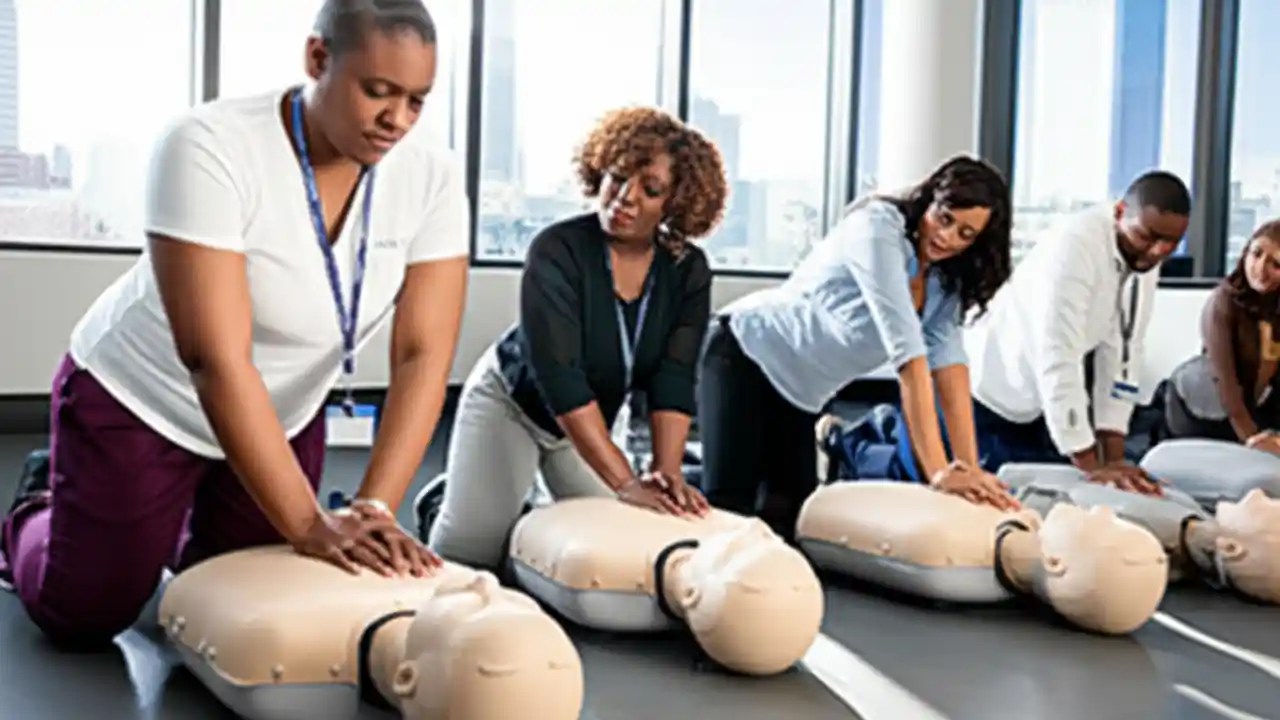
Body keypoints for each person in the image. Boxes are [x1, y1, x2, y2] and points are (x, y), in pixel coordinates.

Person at [0, 0, 463, 648]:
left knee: (243, 595)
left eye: (417, 100)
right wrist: (307, 521)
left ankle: (163, 525)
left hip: (281, 412)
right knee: (87, 611)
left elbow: (422, 356)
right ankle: (37, 509)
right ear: (317, 59)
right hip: (146, 398)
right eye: (378, 91)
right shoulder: (208, 144)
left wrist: (373, 509)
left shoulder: (432, 176)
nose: (397, 121)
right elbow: (214, 358)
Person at [425, 106, 729, 570]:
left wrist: (665, 473)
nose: (624, 197)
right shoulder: (557, 249)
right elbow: (560, 378)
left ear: (675, 204)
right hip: (513, 403)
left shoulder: (687, 269)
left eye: (650, 190)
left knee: (618, 545)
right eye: (617, 177)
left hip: (589, 423)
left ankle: (516, 507)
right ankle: (445, 503)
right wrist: (626, 480)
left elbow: (674, 376)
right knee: (472, 554)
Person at [699, 154, 1019, 539]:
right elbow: (909, 358)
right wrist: (937, 473)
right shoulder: (878, 230)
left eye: (966, 235)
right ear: (930, 199)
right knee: (729, 505)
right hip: (746, 355)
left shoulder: (945, 279)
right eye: (945, 218)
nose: (948, 238)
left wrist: (970, 469)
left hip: (802, 394)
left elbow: (949, 367)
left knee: (790, 521)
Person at [962, 171, 1192, 493]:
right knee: (971, 492)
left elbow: (1125, 351)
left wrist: (1114, 458)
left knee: (1048, 493)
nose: (1157, 251)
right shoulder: (1074, 246)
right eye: (1148, 237)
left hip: (1041, 405)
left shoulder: (1142, 258)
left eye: (1171, 243)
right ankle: (876, 439)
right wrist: (1093, 468)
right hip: (990, 391)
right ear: (1120, 212)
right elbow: (1058, 356)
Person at [1163, 220, 1280, 451]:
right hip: (1199, 407)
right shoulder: (1223, 302)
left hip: (1248, 406)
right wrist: (1252, 439)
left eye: (1275, 263)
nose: (1260, 268)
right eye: (1256, 254)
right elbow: (1226, 382)